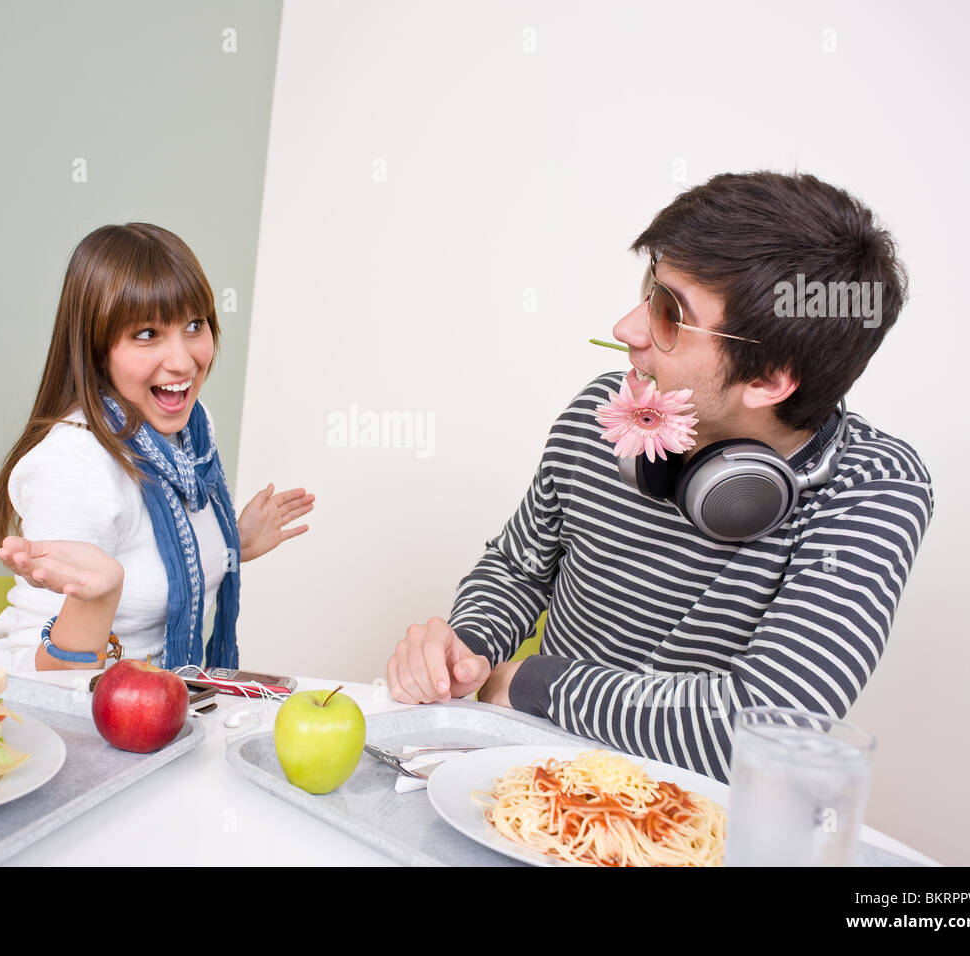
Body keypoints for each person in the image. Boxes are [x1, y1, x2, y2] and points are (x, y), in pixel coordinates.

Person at [385, 171, 934, 782]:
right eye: (651, 291)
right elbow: (519, 567)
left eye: (671, 314)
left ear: (769, 379)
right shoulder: (607, 408)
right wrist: (470, 647)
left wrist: (538, 682)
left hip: (681, 817)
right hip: (529, 781)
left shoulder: (875, 487)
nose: (627, 329)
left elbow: (770, 728)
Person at [0, 223, 313, 673]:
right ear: (97, 349)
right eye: (146, 334)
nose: (182, 361)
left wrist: (232, 542)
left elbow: (162, 564)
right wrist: (98, 597)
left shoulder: (190, 431)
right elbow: (37, 681)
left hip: (165, 708)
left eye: (195, 326)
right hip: (68, 721)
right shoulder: (72, 464)